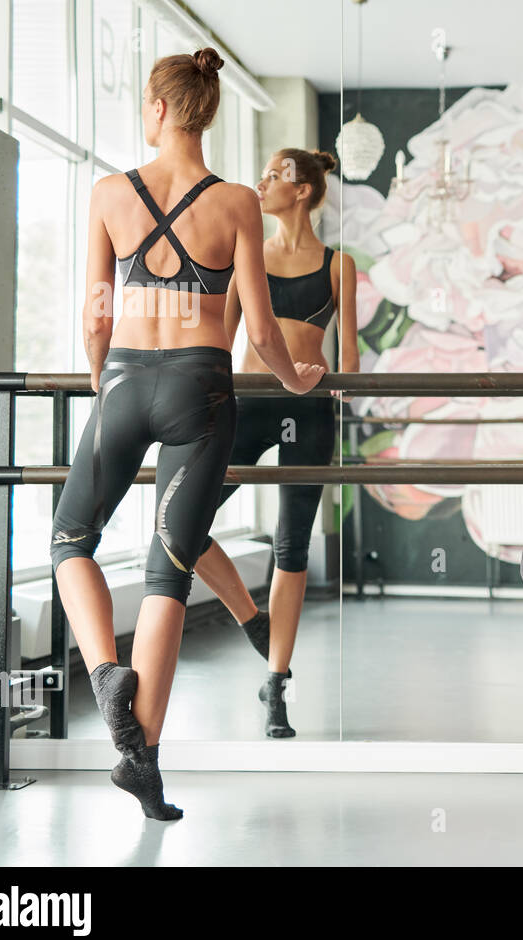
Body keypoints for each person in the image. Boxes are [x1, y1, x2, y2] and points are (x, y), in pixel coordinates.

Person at [49, 48, 325, 819]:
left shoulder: (109, 193)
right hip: (204, 388)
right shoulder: (238, 202)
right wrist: (300, 380)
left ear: (161, 109)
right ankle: (146, 759)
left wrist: (101, 374)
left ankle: (105, 671)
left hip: (128, 380)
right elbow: (264, 332)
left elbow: (97, 312)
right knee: (172, 564)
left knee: (72, 540)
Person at [192, 148, 358, 738]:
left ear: (305, 191)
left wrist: (342, 395)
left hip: (309, 411)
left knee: (293, 547)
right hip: (248, 404)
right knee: (186, 522)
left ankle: (276, 683)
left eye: (275, 175)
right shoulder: (249, 257)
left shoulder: (340, 266)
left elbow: (350, 361)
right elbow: (222, 338)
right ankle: (250, 616)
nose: (261, 182)